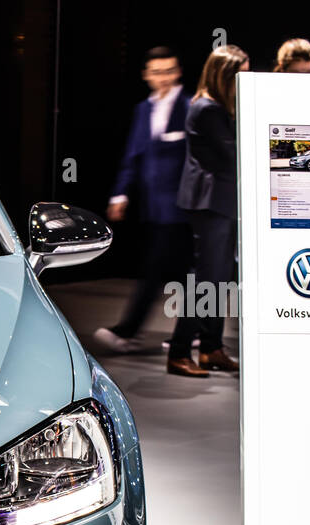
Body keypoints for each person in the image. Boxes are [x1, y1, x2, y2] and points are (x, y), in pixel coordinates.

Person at [95, 46, 192, 354]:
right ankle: (192, 333)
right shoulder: (143, 110)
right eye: (157, 71)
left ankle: (128, 330)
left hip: (183, 209)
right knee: (183, 273)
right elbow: (133, 156)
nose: (163, 77)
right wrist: (120, 192)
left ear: (177, 72)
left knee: (156, 271)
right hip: (154, 208)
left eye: (168, 71)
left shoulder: (190, 108)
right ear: (146, 75)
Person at [169, 44, 248, 378]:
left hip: (221, 203)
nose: (246, 79)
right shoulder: (208, 109)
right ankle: (180, 351)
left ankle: (212, 349)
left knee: (221, 279)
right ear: (226, 75)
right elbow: (233, 154)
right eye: (242, 73)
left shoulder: (215, 107)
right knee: (205, 282)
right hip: (212, 203)